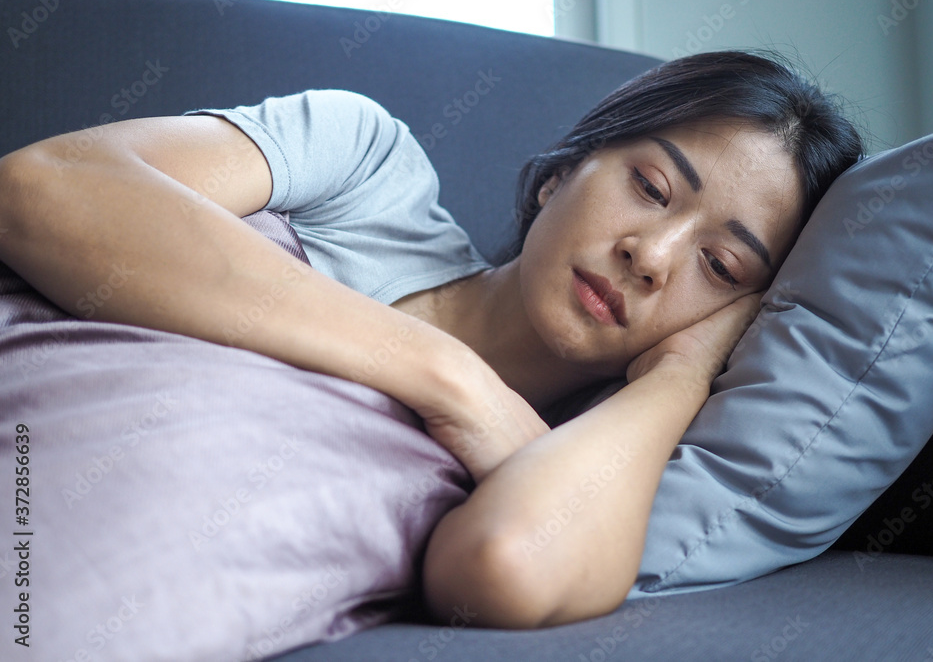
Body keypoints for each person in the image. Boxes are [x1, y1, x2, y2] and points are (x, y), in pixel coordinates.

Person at [0, 50, 863, 630]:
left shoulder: (576, 463)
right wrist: (457, 381)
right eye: (649, 185)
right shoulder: (363, 167)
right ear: (564, 169)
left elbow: (507, 563)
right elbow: (44, 189)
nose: (652, 254)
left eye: (717, 266)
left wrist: (680, 374)